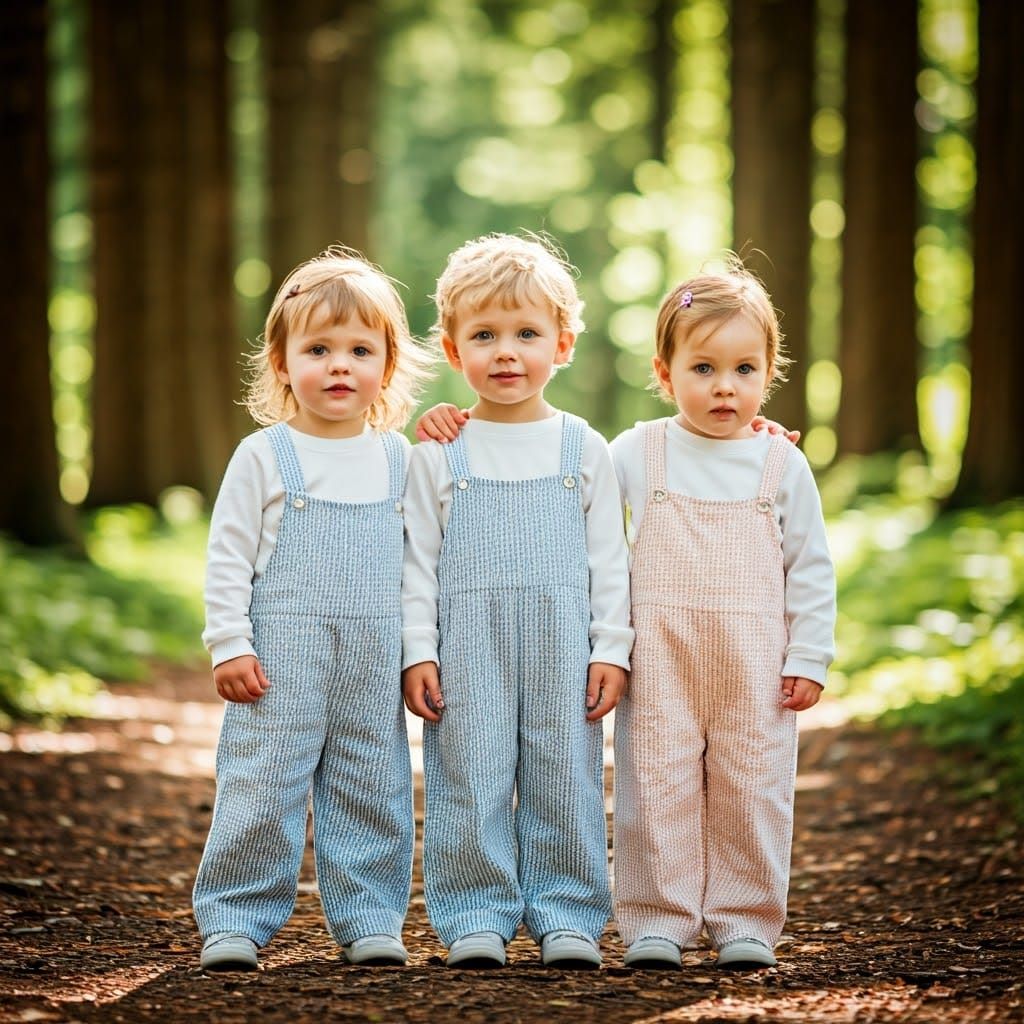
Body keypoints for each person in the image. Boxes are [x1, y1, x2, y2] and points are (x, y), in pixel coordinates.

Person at [193, 246, 433, 972]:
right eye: (318, 349)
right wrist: (228, 643)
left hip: (372, 657)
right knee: (262, 782)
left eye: (360, 350)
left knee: (373, 785)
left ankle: (368, 917)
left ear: (387, 367)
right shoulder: (265, 456)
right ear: (281, 360)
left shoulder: (401, 460)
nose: (339, 365)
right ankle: (235, 916)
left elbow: (423, 564)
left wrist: (421, 650)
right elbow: (228, 556)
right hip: (280, 656)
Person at [401, 233, 634, 971]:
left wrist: (611, 650)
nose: (507, 352)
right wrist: (418, 652)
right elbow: (415, 563)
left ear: (562, 343)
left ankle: (568, 914)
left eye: (527, 334)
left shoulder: (582, 447)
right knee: (468, 774)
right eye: (485, 336)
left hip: (564, 643)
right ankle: (475, 912)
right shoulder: (438, 451)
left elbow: (611, 562)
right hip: (467, 640)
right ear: (451, 346)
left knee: (564, 774)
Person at [610, 259, 836, 971]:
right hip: (660, 659)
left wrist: (809, 656)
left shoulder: (781, 464)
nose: (724, 386)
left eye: (744, 369)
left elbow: (811, 567)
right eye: (703, 367)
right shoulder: (636, 452)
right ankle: (658, 920)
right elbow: (568, 498)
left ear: (769, 372)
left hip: (755, 663)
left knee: (753, 786)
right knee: (657, 784)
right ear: (664, 369)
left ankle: (745, 920)